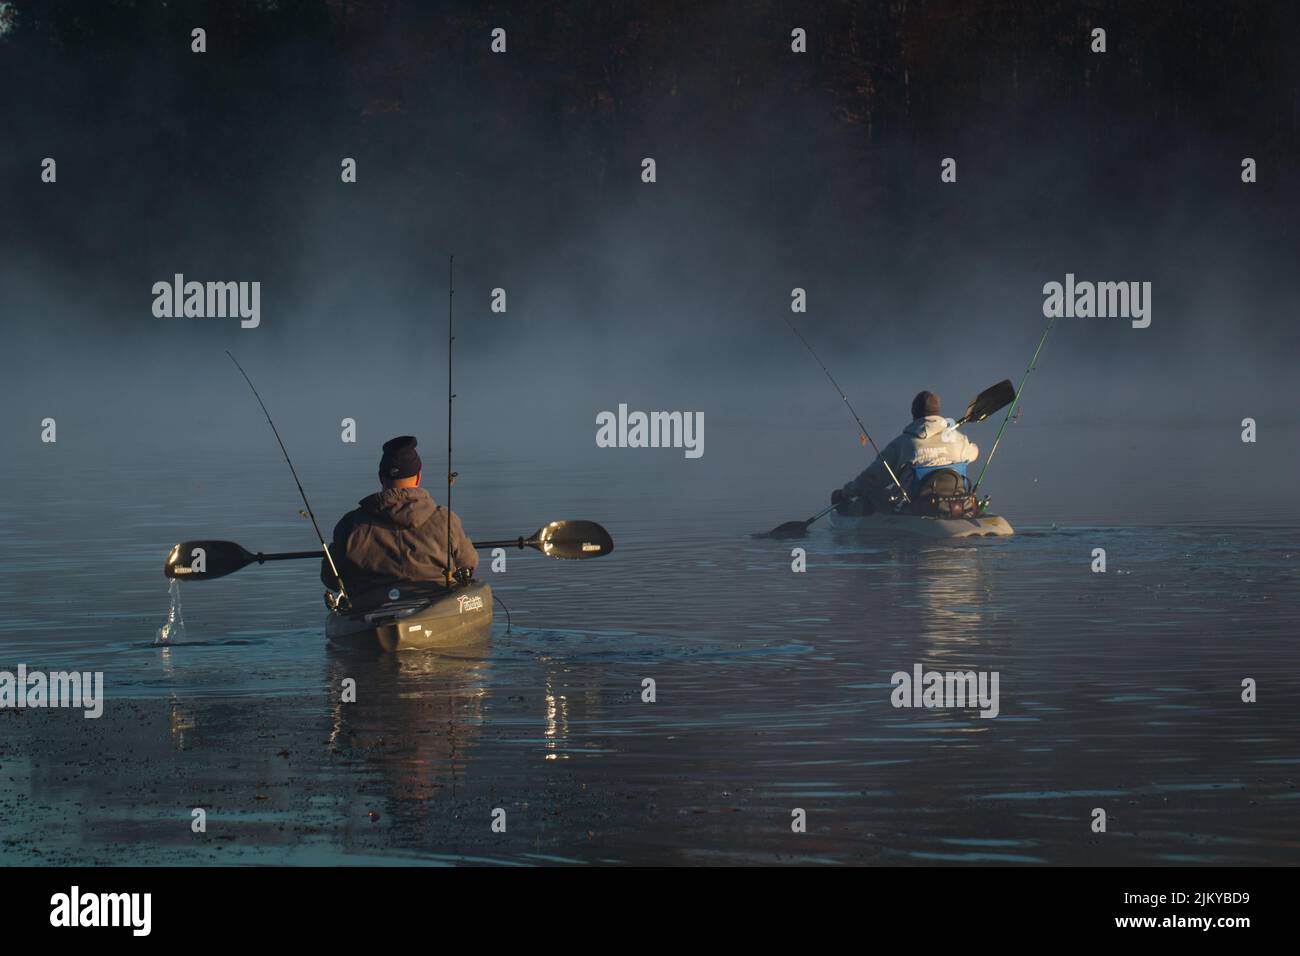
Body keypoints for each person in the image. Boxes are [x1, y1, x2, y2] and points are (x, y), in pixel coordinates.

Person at [322, 435, 478, 606]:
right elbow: (468, 564)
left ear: (381, 478)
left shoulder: (350, 525)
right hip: (435, 608)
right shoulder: (444, 519)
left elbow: (331, 579)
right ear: (419, 477)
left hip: (370, 611)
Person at [833, 391, 980, 514]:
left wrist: (845, 493)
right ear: (938, 412)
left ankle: (848, 515)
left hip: (914, 508)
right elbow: (974, 453)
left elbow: (872, 478)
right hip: (956, 504)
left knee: (870, 492)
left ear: (913, 413)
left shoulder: (903, 444)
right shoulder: (959, 440)